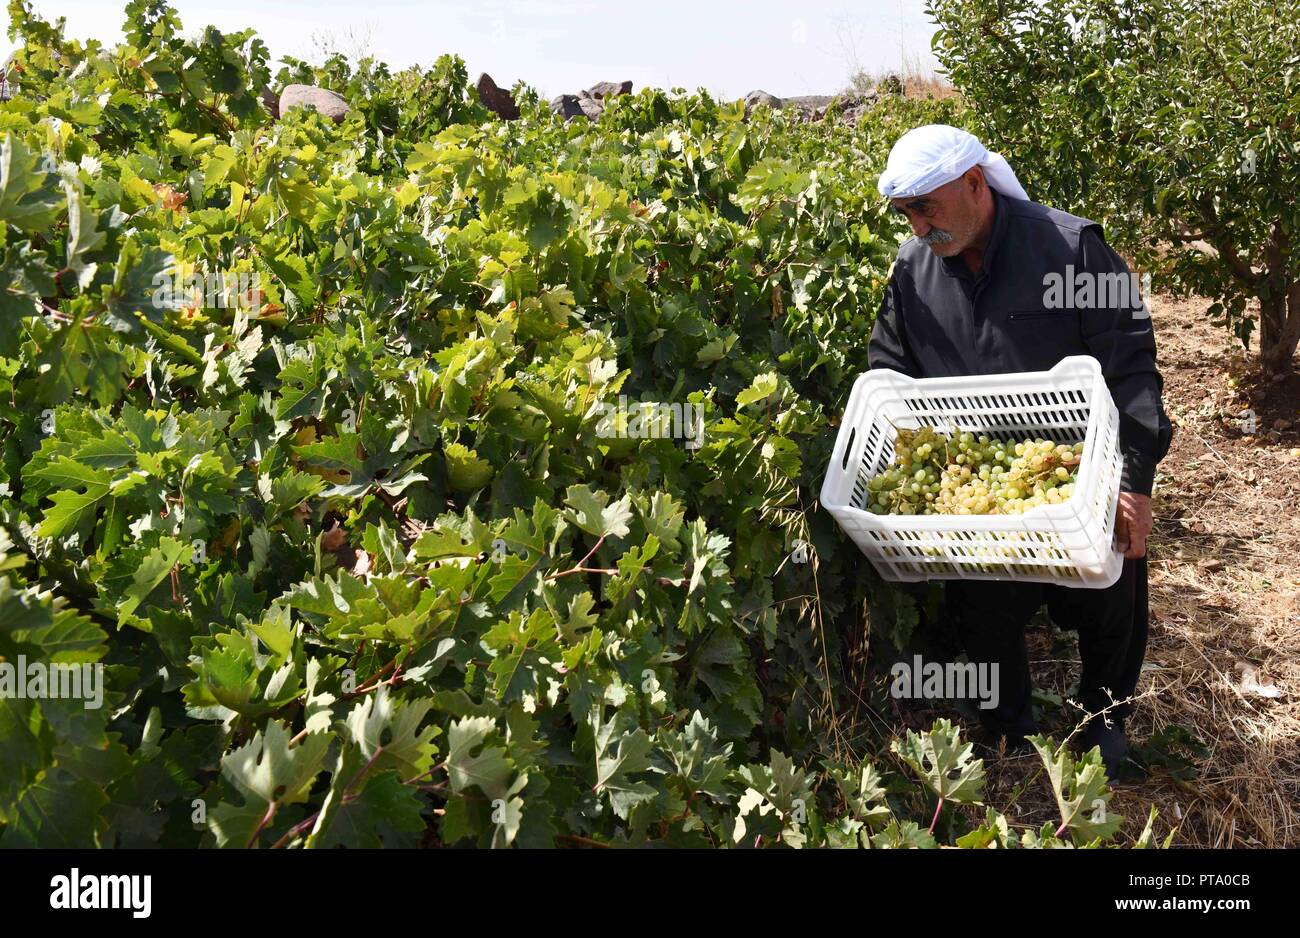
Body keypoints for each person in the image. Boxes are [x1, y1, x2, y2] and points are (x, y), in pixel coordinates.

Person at [868, 125, 1174, 773]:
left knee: (1111, 593)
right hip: (983, 487)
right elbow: (889, 371)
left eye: (927, 207)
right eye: (906, 213)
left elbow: (1132, 369)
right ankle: (1004, 726)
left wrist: (1135, 477)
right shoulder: (913, 271)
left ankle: (1103, 724)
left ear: (976, 185)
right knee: (982, 607)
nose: (919, 227)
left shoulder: (1074, 250)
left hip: (1077, 477)